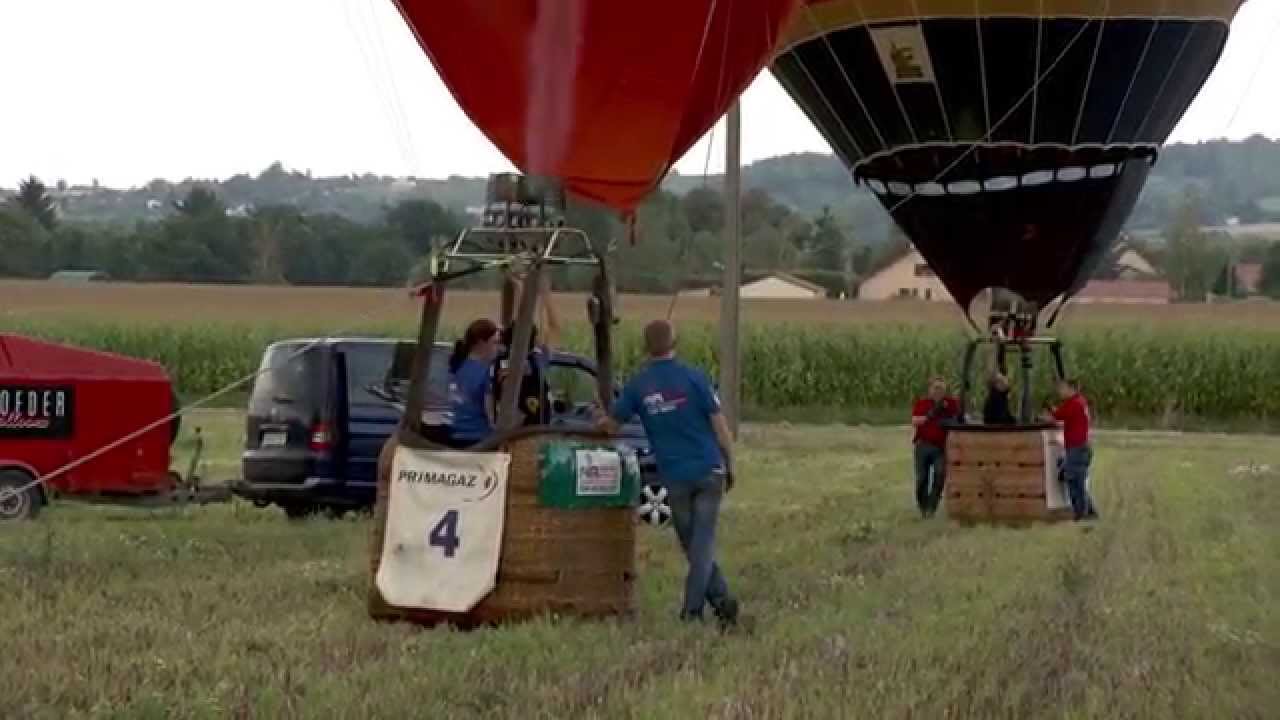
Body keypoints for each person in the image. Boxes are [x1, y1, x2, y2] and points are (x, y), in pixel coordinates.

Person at [595, 319, 739, 627]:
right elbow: (721, 428)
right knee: (701, 545)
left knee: (694, 545)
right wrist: (730, 463)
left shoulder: (638, 386)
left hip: (675, 477)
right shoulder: (696, 378)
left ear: (646, 348)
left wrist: (600, 418)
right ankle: (721, 604)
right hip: (709, 469)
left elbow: (612, 426)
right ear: (675, 343)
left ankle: (695, 611)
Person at [497, 271, 562, 426]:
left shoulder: (501, 358)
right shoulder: (537, 359)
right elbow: (555, 327)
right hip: (533, 428)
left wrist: (518, 287)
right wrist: (545, 292)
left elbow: (515, 322)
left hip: (510, 427)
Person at [1042, 377, 1099, 521]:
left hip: (1076, 448)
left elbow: (1056, 416)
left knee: (1074, 482)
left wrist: (1048, 410)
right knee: (1077, 481)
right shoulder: (1080, 402)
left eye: (1063, 388)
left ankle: (1081, 514)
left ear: (1071, 389)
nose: (1060, 391)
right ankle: (1088, 511)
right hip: (1081, 447)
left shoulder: (1073, 403)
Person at [443, 318, 501, 447]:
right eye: (495, 342)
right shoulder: (485, 372)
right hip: (479, 437)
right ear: (481, 343)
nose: (498, 348)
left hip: (454, 434)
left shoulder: (457, 366)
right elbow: (490, 414)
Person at [910, 377, 960, 518]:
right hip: (923, 445)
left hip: (941, 448)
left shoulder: (950, 404)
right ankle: (923, 505)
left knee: (940, 474)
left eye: (941, 389)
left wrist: (950, 421)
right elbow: (915, 421)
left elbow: (960, 417)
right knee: (922, 478)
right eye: (936, 388)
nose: (938, 392)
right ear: (930, 390)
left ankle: (932, 506)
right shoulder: (923, 403)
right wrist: (930, 414)